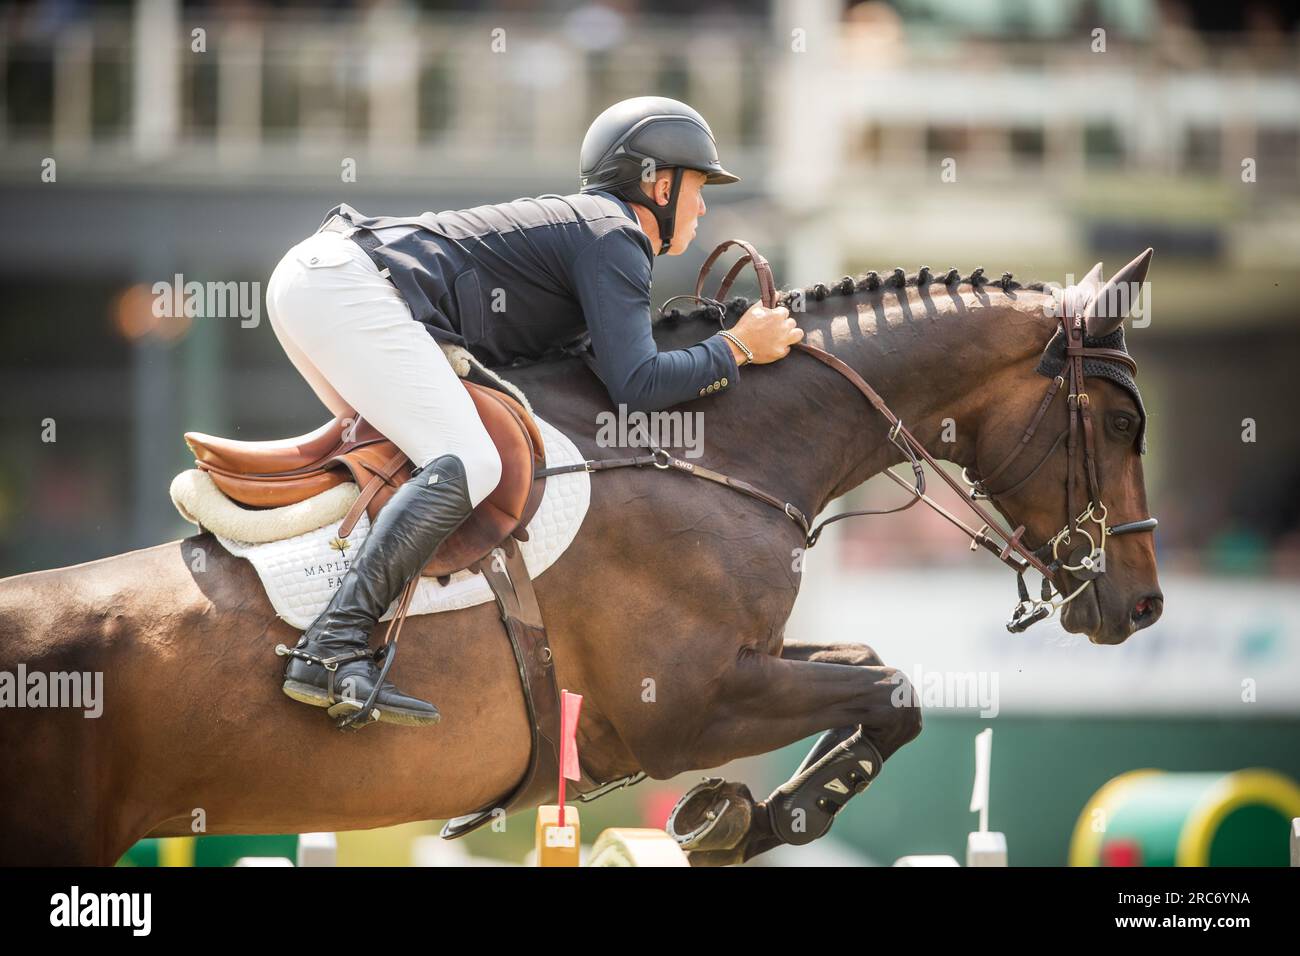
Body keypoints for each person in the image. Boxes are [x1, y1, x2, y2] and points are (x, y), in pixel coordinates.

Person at [266, 96, 803, 730]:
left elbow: (604, 375)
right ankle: (333, 645)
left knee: (421, 468)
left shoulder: (596, 235)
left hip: (322, 282)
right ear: (657, 183)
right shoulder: (615, 236)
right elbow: (638, 383)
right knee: (468, 461)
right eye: (698, 186)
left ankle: (322, 614)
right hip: (346, 286)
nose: (704, 204)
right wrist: (740, 347)